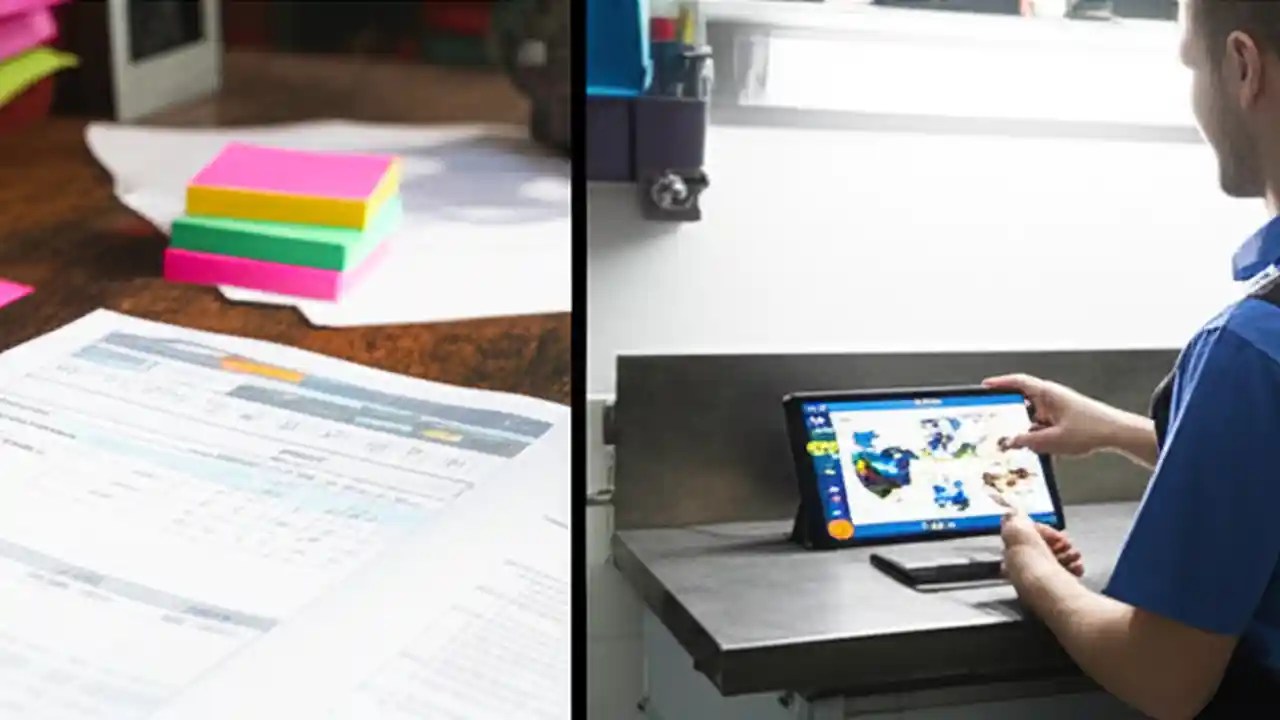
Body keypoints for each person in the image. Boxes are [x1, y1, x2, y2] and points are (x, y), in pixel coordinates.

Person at [990, 3, 1280, 716]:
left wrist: (1032, 570)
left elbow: (1162, 675)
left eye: (1191, 65)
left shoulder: (1248, 347)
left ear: (1243, 66)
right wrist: (1125, 432)